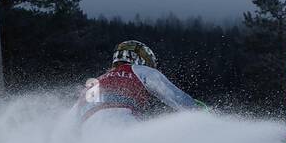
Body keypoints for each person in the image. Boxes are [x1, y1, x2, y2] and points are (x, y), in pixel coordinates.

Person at [73, 40, 203, 126]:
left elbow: (73, 117)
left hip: (90, 129)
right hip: (122, 120)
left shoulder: (95, 82)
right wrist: (198, 111)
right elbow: (172, 94)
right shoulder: (140, 70)